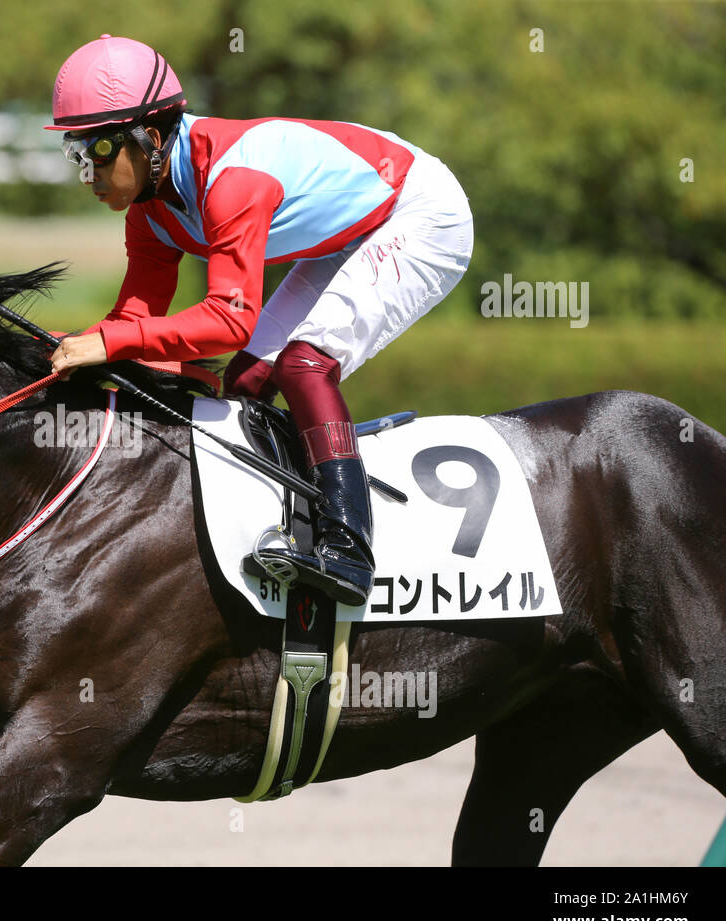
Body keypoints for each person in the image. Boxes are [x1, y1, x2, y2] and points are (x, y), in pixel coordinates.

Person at [46, 35, 473, 606]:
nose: (88, 173)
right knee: (248, 380)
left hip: (418, 213)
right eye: (77, 153)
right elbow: (131, 323)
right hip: (347, 233)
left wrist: (111, 343)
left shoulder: (231, 180)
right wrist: (62, 352)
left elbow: (230, 320)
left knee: (304, 365)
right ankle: (285, 518)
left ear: (147, 138)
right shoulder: (150, 211)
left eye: (97, 150)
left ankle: (349, 549)